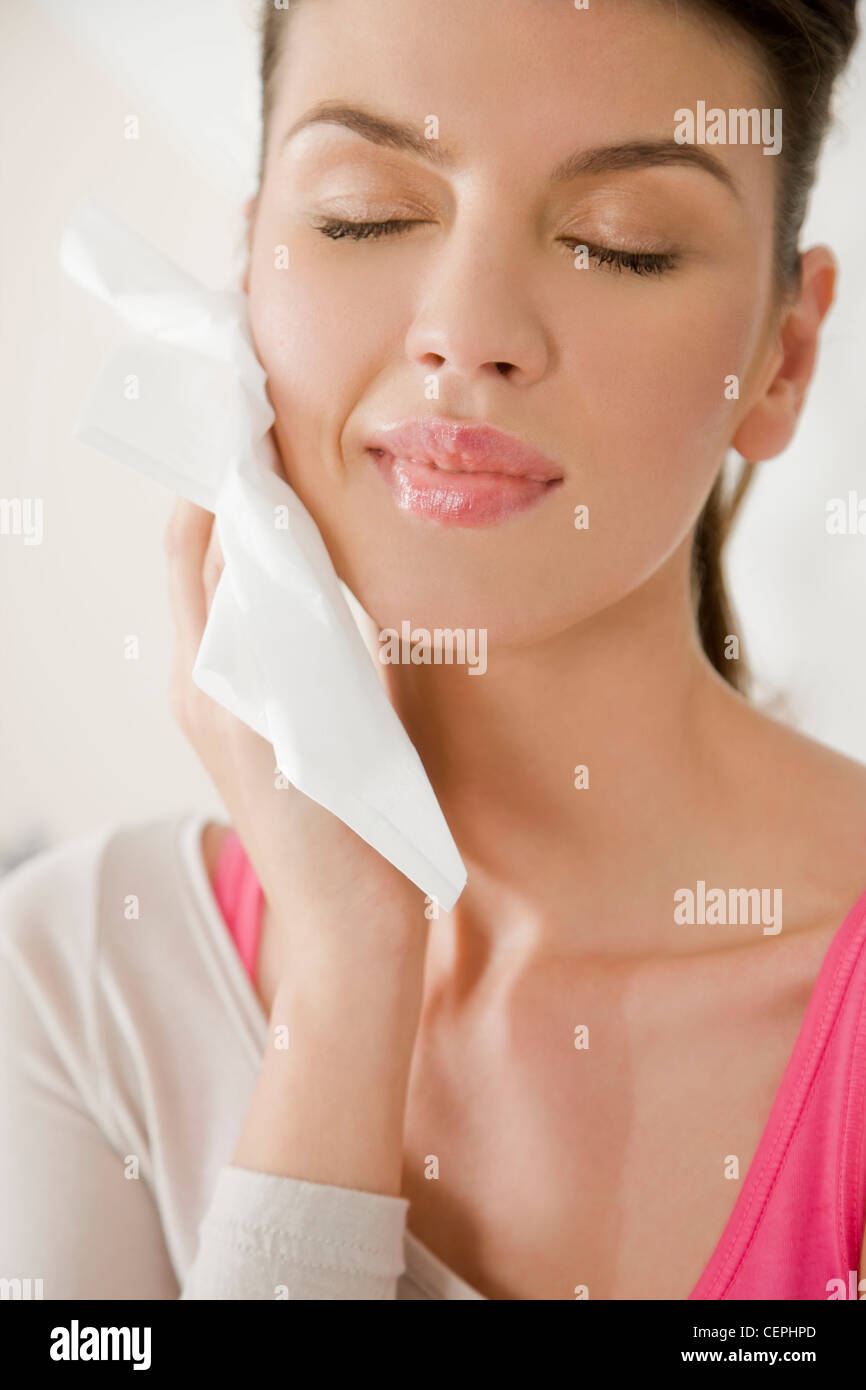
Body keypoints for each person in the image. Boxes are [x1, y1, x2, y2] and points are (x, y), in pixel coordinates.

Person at [2, 0, 865, 1301]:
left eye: (614, 244)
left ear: (781, 357)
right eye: (364, 214)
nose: (465, 331)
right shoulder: (79, 981)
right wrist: (348, 980)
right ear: (249, 268)